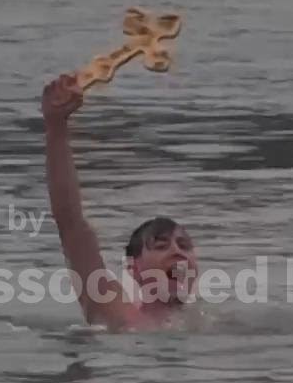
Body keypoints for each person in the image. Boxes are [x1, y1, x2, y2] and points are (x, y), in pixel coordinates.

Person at [40, 73, 198, 332]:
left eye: (184, 245)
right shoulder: (115, 311)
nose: (177, 251)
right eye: (160, 245)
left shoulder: (211, 323)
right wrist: (57, 127)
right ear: (133, 268)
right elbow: (71, 224)